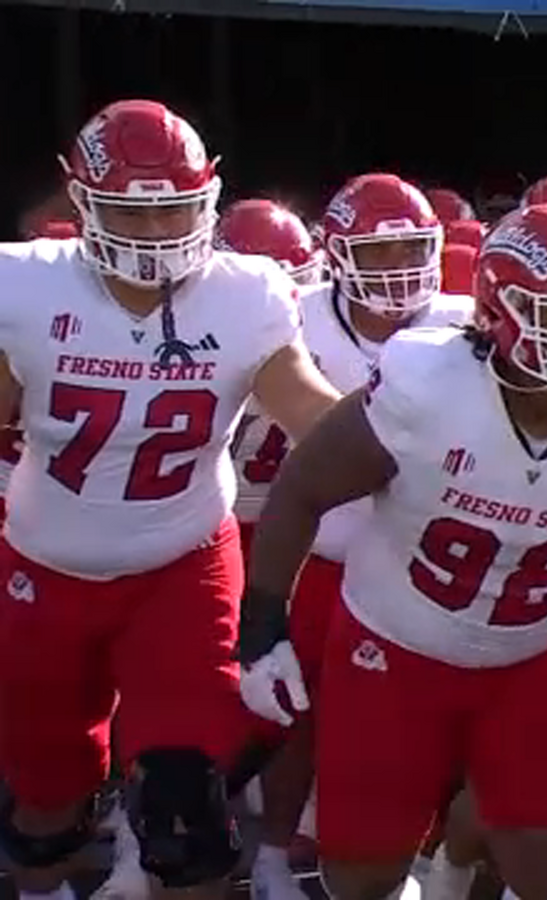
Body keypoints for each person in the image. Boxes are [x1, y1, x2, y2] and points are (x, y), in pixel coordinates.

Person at [235, 202, 547, 900]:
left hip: (531, 655)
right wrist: (264, 626)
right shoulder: (428, 383)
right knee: (362, 872)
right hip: (393, 647)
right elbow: (300, 489)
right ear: (499, 313)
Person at [0, 98, 341, 900]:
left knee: (185, 803)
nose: (156, 236)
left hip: (181, 565)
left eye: (176, 211)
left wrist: (419, 445)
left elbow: (312, 417)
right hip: (48, 565)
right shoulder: (25, 286)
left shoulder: (244, 292)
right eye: (131, 212)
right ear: (81, 202)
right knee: (48, 802)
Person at [231, 174, 473, 900]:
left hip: (420, 565)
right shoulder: (296, 320)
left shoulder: (464, 323)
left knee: (422, 728)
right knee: (291, 716)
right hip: (320, 553)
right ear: (336, 256)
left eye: (411, 248)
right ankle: (273, 853)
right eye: (379, 251)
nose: (398, 268)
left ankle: (419, 859)